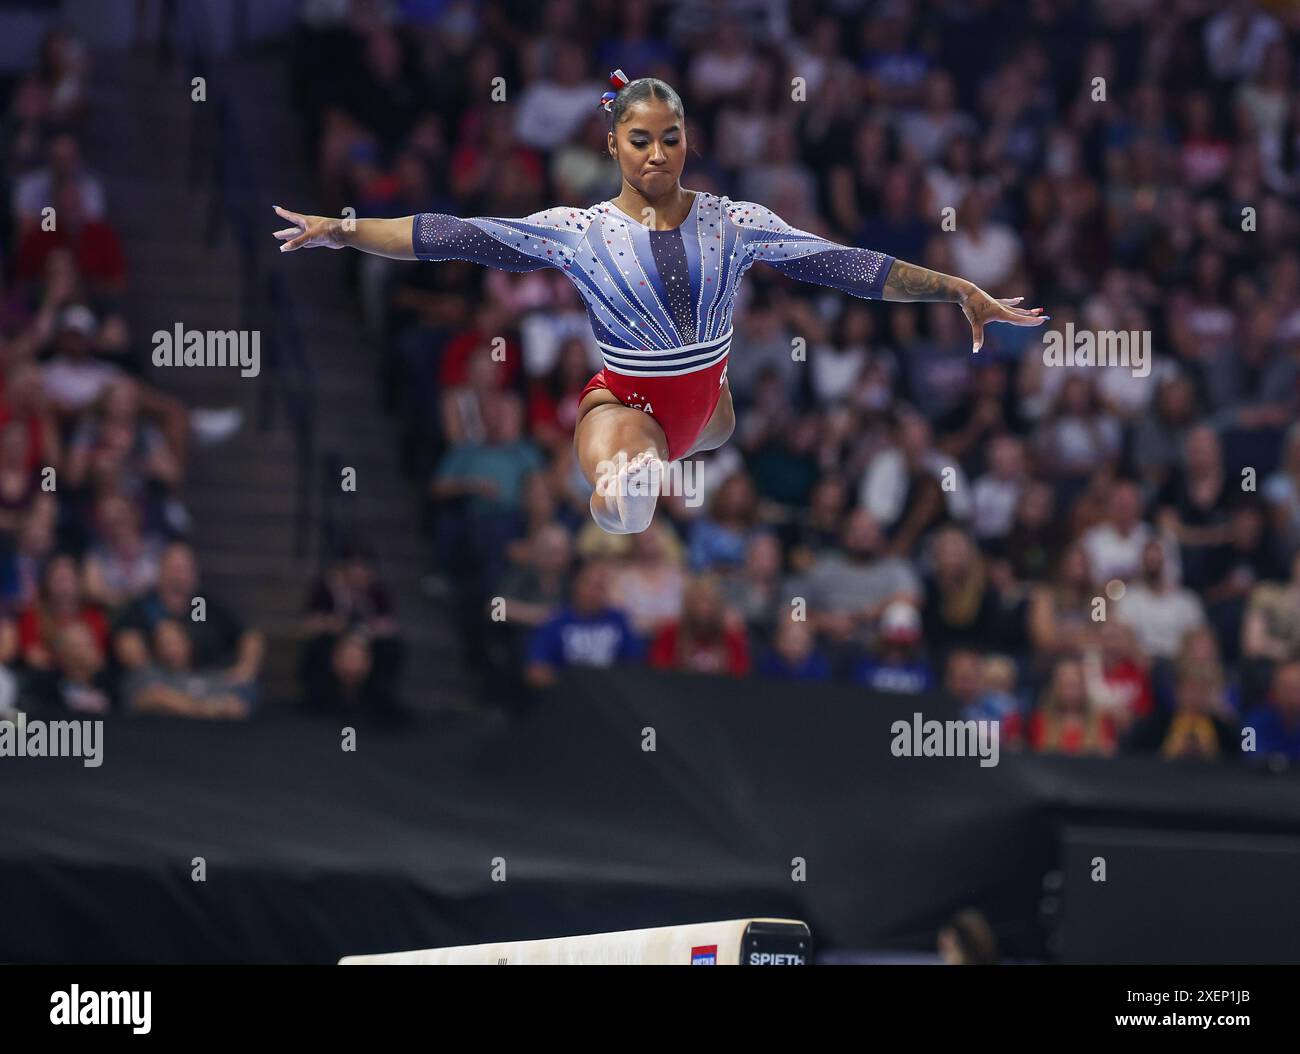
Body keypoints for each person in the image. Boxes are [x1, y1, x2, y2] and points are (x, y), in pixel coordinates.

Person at [274, 72, 1046, 535]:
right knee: (623, 471)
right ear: (612, 146)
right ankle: (626, 485)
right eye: (638, 139)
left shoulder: (732, 222)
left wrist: (955, 287)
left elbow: (847, 266)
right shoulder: (575, 232)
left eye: (669, 138)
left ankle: (656, 458)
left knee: (712, 423)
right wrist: (342, 229)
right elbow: (444, 234)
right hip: (629, 399)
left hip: (709, 404)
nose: (655, 154)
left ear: (688, 142)